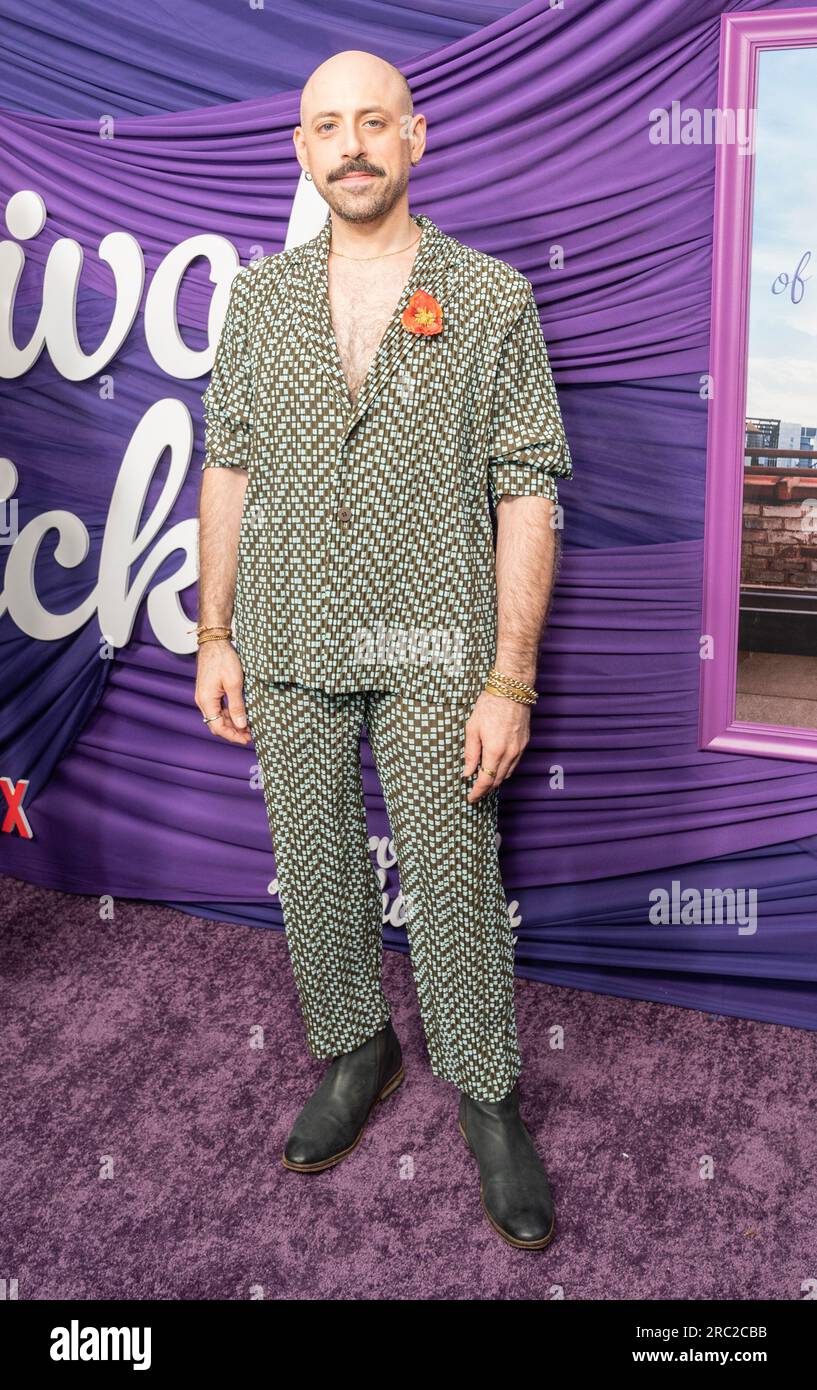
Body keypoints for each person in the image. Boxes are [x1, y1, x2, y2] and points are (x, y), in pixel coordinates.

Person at [195, 49, 573, 1251]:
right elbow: (229, 469)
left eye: (372, 122)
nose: (349, 144)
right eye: (325, 126)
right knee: (311, 861)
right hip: (288, 628)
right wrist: (213, 630)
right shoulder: (257, 301)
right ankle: (356, 1044)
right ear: (302, 150)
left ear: (416, 138)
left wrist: (509, 675)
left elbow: (527, 489)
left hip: (435, 640)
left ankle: (487, 1093)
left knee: (454, 877)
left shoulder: (491, 297)